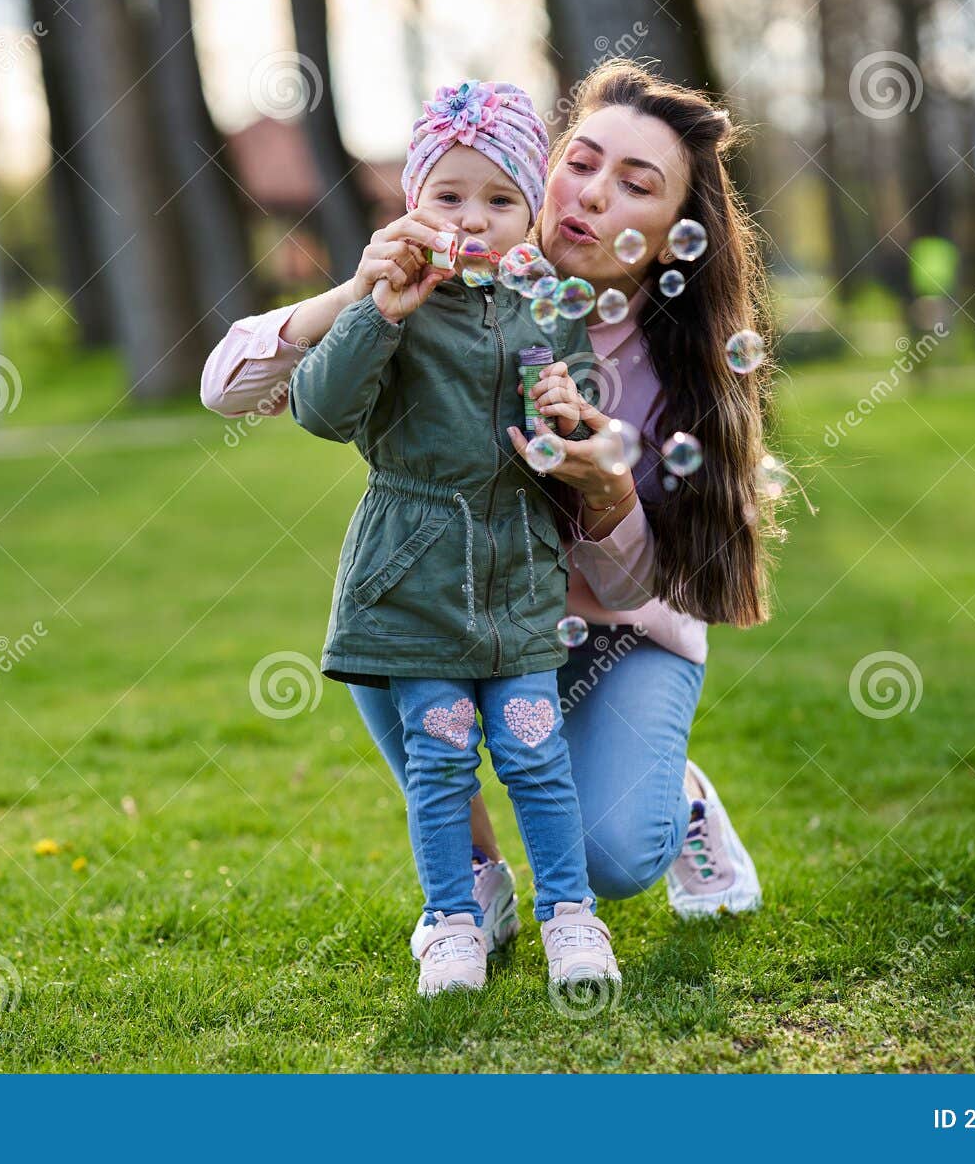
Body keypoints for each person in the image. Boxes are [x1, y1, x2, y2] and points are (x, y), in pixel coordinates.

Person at [202, 59, 771, 960]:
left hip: (618, 635)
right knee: (396, 634)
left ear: (672, 237)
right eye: (580, 163)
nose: (591, 195)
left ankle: (679, 799)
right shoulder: (451, 285)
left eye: (636, 185)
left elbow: (631, 588)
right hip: (459, 598)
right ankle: (473, 875)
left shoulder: (675, 374)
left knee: (610, 855)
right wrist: (358, 294)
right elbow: (226, 387)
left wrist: (608, 487)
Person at [290, 80, 618, 997]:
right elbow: (319, 410)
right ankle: (451, 923)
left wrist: (567, 415)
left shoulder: (551, 308)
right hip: (412, 577)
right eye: (450, 195)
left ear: (529, 209)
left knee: (533, 751)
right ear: (414, 203)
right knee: (437, 759)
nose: (475, 217)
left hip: (517, 569)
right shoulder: (395, 300)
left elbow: (575, 439)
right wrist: (377, 311)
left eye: (501, 198)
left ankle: (569, 916)